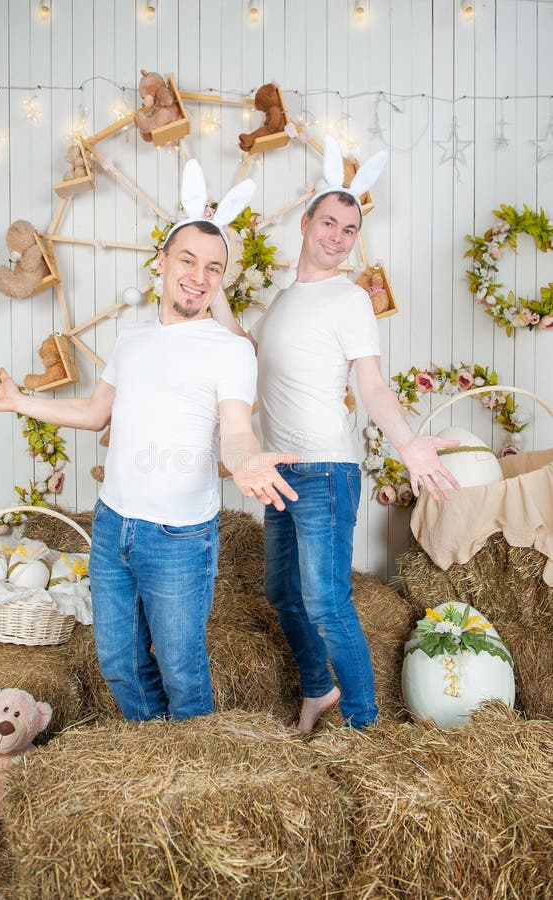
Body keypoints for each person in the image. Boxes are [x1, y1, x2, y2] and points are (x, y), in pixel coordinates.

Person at [0, 161, 299, 723]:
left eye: (213, 268)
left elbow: (237, 427)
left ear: (221, 279)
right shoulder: (133, 337)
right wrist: (20, 401)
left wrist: (245, 462)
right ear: (161, 261)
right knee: (118, 663)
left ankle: (191, 777)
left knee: (181, 669)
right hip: (113, 524)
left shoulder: (228, 349)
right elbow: (96, 413)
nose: (199, 275)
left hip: (178, 538)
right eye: (188, 260)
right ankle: (152, 759)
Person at [210, 138, 459, 733]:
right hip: (281, 468)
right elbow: (250, 351)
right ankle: (319, 690)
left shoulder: (351, 300)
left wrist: (406, 443)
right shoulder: (285, 301)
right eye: (329, 222)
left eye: (350, 229)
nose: (338, 236)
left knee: (325, 600)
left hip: (326, 469)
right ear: (306, 223)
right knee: (282, 593)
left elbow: (371, 387)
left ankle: (364, 724)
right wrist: (213, 288)